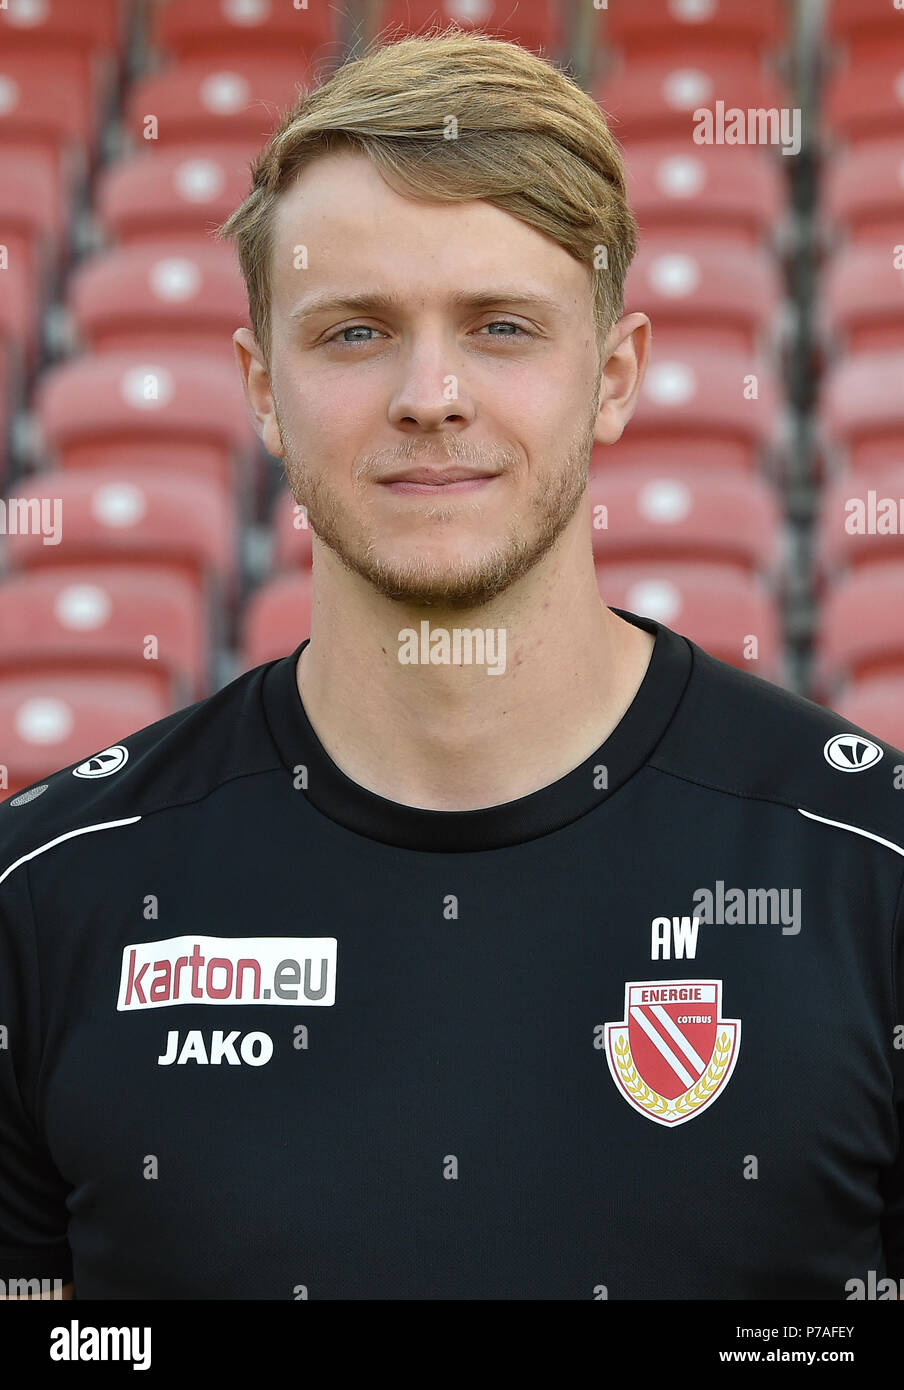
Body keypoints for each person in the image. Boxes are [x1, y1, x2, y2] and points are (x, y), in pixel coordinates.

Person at [1, 29, 902, 1302]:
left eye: (501, 326)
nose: (430, 393)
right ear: (263, 389)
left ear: (616, 373)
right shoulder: (49, 899)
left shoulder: (867, 871)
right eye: (357, 332)